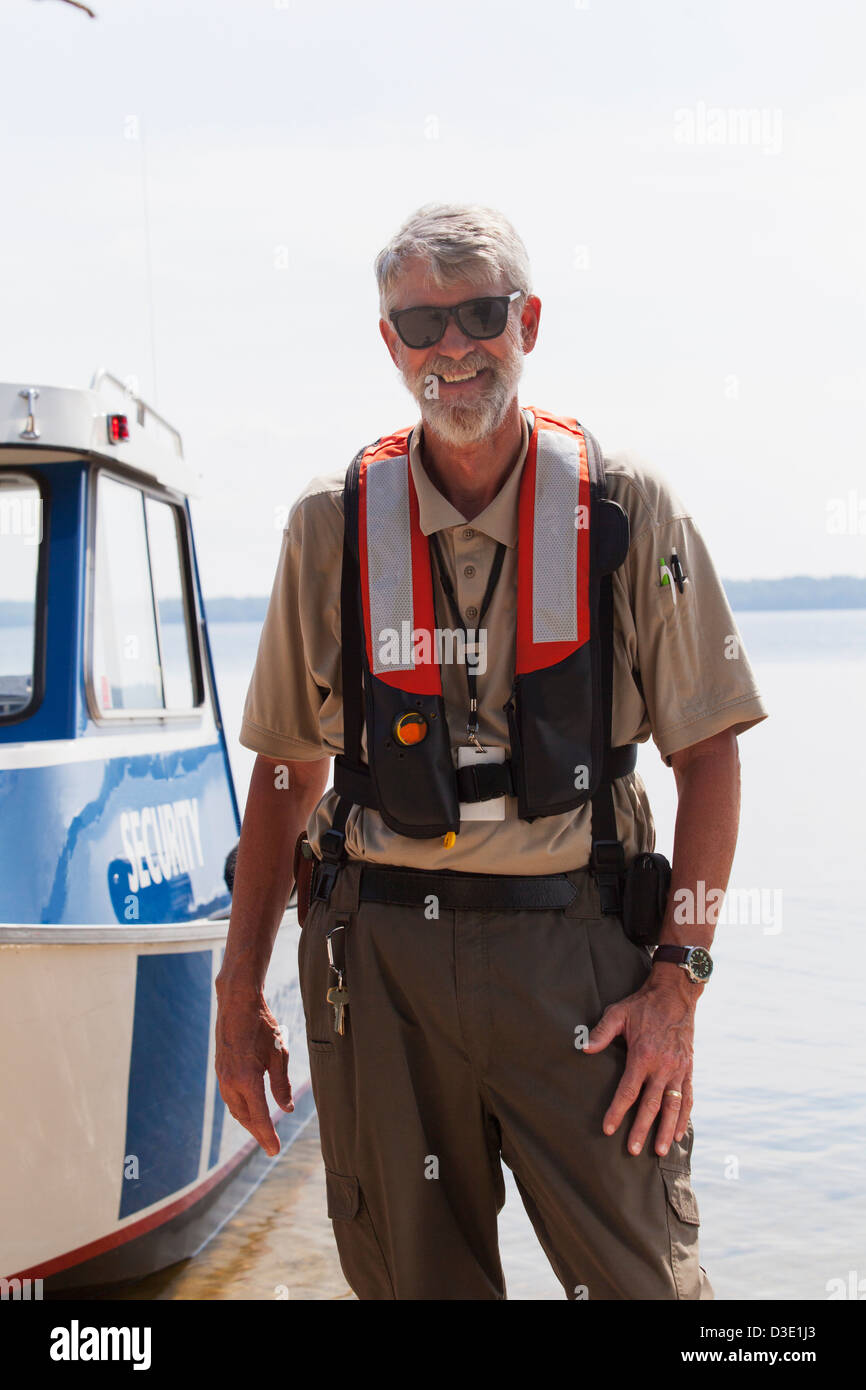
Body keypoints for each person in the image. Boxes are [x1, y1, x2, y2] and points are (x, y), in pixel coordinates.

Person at [215, 202, 768, 1300]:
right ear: (388, 343)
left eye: (479, 312)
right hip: (378, 968)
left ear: (527, 320)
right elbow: (285, 774)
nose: (451, 346)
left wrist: (677, 982)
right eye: (420, 324)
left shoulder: (625, 509)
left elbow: (707, 758)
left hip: (578, 963)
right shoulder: (326, 527)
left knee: (642, 1286)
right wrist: (239, 991)